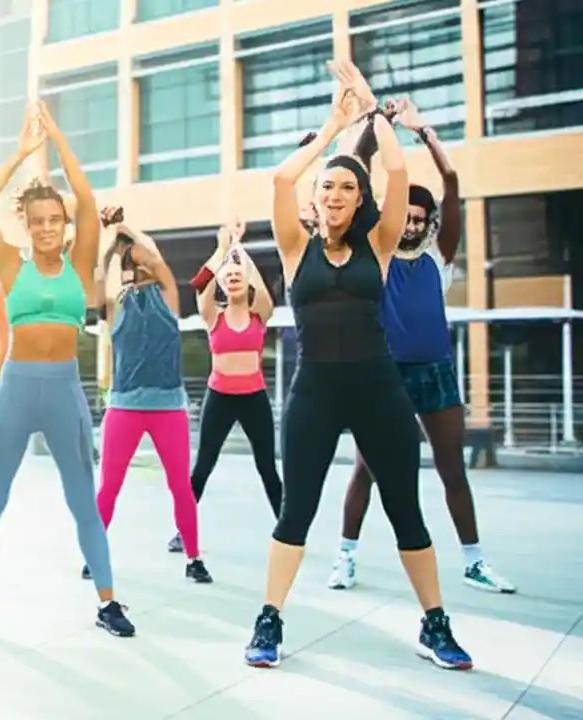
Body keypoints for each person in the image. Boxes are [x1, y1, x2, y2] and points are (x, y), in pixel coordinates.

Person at [243, 60, 470, 670]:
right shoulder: (295, 247)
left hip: (378, 388)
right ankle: (270, 619)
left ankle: (435, 623)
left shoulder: (379, 242)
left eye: (347, 187)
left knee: (405, 506)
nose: (336, 193)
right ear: (315, 201)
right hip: (315, 391)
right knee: (297, 510)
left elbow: (396, 167)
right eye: (327, 188)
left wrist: (370, 110)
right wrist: (330, 131)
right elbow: (279, 180)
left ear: (360, 198)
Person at [0, 103, 134, 639]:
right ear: (25, 224)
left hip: (64, 390)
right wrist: (22, 154)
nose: (47, 228)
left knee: (82, 501)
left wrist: (59, 139)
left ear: (65, 225)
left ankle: (108, 602)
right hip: (17, 390)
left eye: (55, 220)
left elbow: (87, 199)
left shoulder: (79, 262)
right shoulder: (11, 265)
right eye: (37, 221)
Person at [329, 99, 514, 594]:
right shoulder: (378, 249)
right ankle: (344, 556)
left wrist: (422, 132)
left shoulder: (438, 256)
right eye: (404, 215)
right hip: (385, 375)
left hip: (435, 373)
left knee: (453, 470)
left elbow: (452, 184)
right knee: (366, 471)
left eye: (418, 217)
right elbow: (359, 176)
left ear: (429, 221)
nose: (409, 223)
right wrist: (375, 125)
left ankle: (474, 561)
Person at [90, 207, 211, 584]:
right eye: (133, 254)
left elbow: (156, 258)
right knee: (109, 485)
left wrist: (127, 230)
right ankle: (93, 553)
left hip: (167, 407)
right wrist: (112, 246)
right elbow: (97, 275)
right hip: (124, 406)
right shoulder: (114, 305)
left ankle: (193, 557)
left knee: (181, 485)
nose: (140, 254)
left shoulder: (168, 295)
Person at [171, 222, 281, 554]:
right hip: (219, 397)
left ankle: (287, 525)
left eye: (238, 275)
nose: (232, 277)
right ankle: (182, 531)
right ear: (221, 282)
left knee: (267, 467)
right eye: (227, 275)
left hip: (253, 398)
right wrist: (223, 249)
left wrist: (239, 250)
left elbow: (260, 288)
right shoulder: (212, 316)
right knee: (203, 464)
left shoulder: (260, 314)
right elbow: (199, 284)